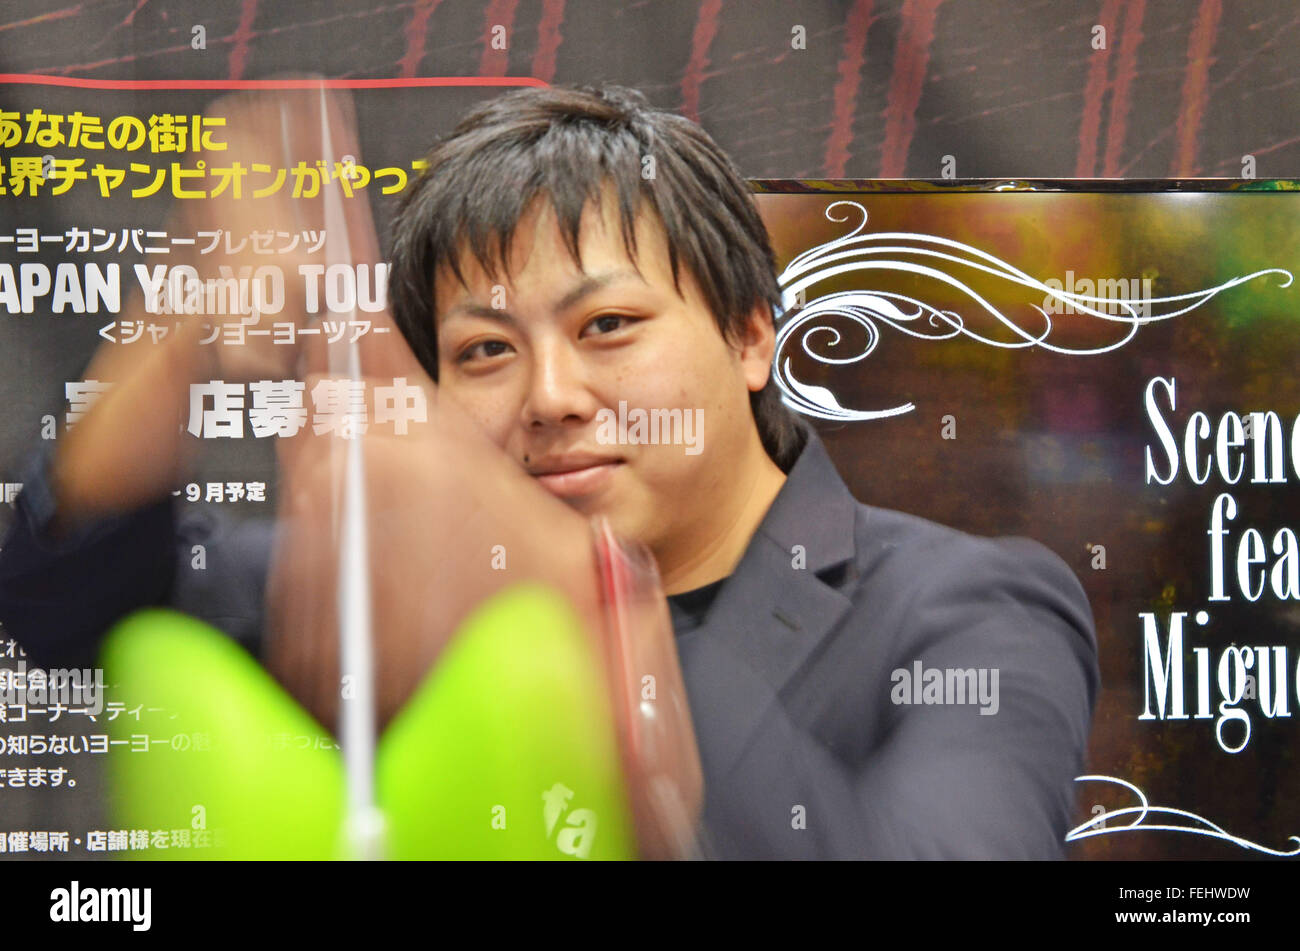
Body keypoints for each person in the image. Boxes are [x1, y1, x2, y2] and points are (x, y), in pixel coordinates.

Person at [0, 83, 1098, 859]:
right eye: (483, 351)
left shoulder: (966, 612)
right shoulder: (396, 581)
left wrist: (583, 602)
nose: (551, 395)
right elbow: (60, 592)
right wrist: (197, 301)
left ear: (753, 335)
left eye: (610, 324)